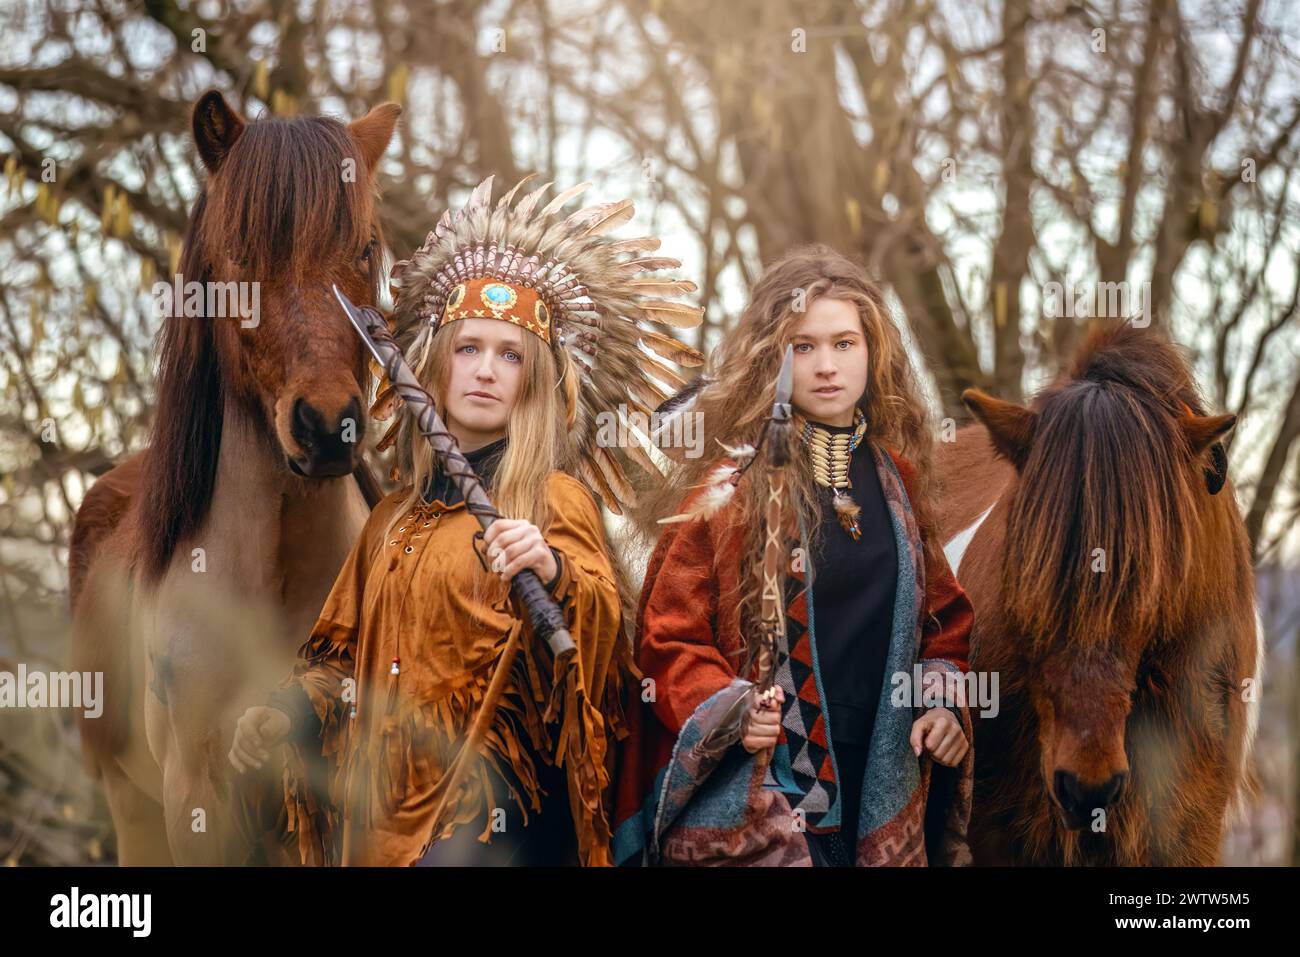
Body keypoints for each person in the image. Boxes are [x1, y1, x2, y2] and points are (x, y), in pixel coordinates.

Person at [228, 174, 703, 866]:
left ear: (533, 381)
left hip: (495, 817)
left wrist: (552, 566)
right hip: (376, 819)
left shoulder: (553, 500)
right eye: (469, 348)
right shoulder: (391, 519)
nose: (486, 370)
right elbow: (336, 664)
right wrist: (286, 715)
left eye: (510, 355)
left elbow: (606, 648)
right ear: (436, 364)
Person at [612, 243, 975, 866]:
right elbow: (667, 638)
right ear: (770, 358)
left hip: (879, 787)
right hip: (764, 803)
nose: (825, 365)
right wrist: (731, 709)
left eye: (844, 343)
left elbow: (945, 625)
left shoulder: (900, 485)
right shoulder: (732, 490)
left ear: (873, 352)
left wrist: (942, 704)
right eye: (802, 347)